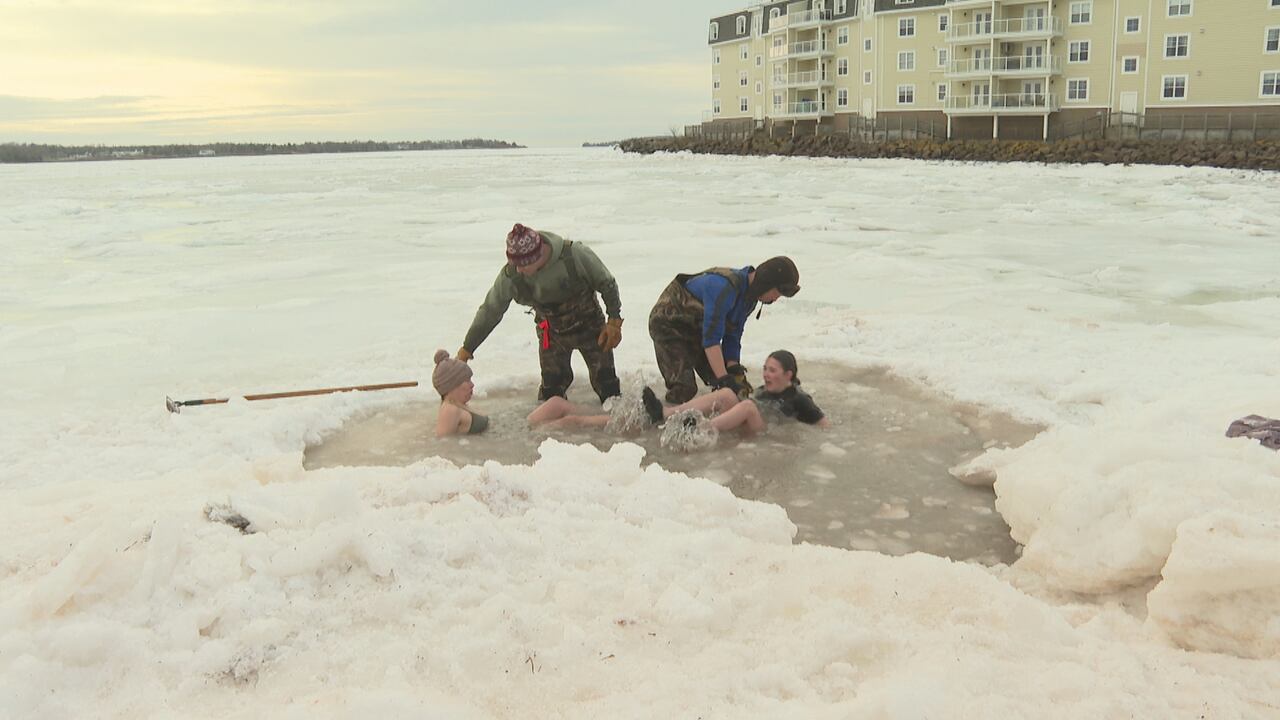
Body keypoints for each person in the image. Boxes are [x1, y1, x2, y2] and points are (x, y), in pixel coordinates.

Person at [456, 223, 624, 403]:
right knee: (551, 392)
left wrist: (614, 320)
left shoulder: (574, 255)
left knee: (608, 388)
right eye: (514, 263)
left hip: (591, 328)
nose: (518, 270)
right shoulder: (512, 276)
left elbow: (607, 283)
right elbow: (490, 311)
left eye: (522, 264)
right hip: (551, 333)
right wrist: (467, 348)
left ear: (537, 256)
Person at [648, 256, 799, 404]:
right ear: (766, 283)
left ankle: (719, 418)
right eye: (777, 293)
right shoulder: (723, 287)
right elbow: (711, 339)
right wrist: (723, 379)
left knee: (736, 387)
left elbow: (733, 334)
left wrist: (733, 368)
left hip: (698, 330)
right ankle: (660, 419)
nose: (776, 298)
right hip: (668, 325)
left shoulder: (750, 297)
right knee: (685, 388)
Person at [640, 349, 828, 435]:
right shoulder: (764, 391)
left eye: (772, 371)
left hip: (766, 434)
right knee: (727, 394)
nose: (766, 375)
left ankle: (700, 430)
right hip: (752, 423)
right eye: (765, 369)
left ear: (788, 374)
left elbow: (825, 426)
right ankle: (665, 414)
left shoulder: (800, 399)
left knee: (747, 406)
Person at [433, 349, 614, 437]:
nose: (472, 385)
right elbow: (445, 448)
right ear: (452, 385)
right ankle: (621, 423)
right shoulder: (449, 410)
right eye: (467, 381)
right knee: (570, 421)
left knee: (556, 402)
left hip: (510, 426)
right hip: (511, 435)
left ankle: (611, 413)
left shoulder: (456, 405)